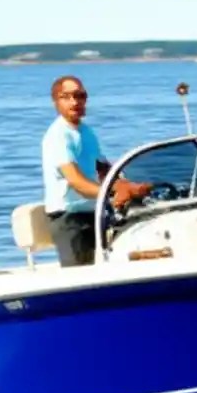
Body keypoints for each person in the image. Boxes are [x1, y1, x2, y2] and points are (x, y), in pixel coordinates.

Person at [41, 75, 150, 266]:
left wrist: (129, 186)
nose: (74, 102)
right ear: (55, 102)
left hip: (95, 213)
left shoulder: (86, 132)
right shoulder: (58, 136)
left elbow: (104, 170)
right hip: (70, 219)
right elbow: (77, 182)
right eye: (66, 97)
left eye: (80, 96)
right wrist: (111, 195)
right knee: (81, 278)